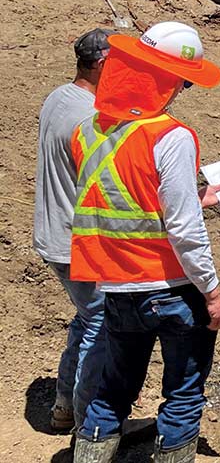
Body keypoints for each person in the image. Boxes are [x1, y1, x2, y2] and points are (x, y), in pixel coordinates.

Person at [71, 22, 220, 463]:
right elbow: (183, 228)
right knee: (183, 394)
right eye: (183, 81)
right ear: (167, 79)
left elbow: (126, 198)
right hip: (172, 288)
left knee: (112, 391)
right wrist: (212, 293)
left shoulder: (87, 131)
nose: (181, 90)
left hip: (117, 287)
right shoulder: (170, 136)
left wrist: (194, 196)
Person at [35, 29, 113, 433]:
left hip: (53, 234)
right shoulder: (90, 117)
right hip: (75, 242)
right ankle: (90, 426)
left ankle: (65, 407)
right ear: (101, 64)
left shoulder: (58, 97)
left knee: (87, 317)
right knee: (102, 325)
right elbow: (106, 185)